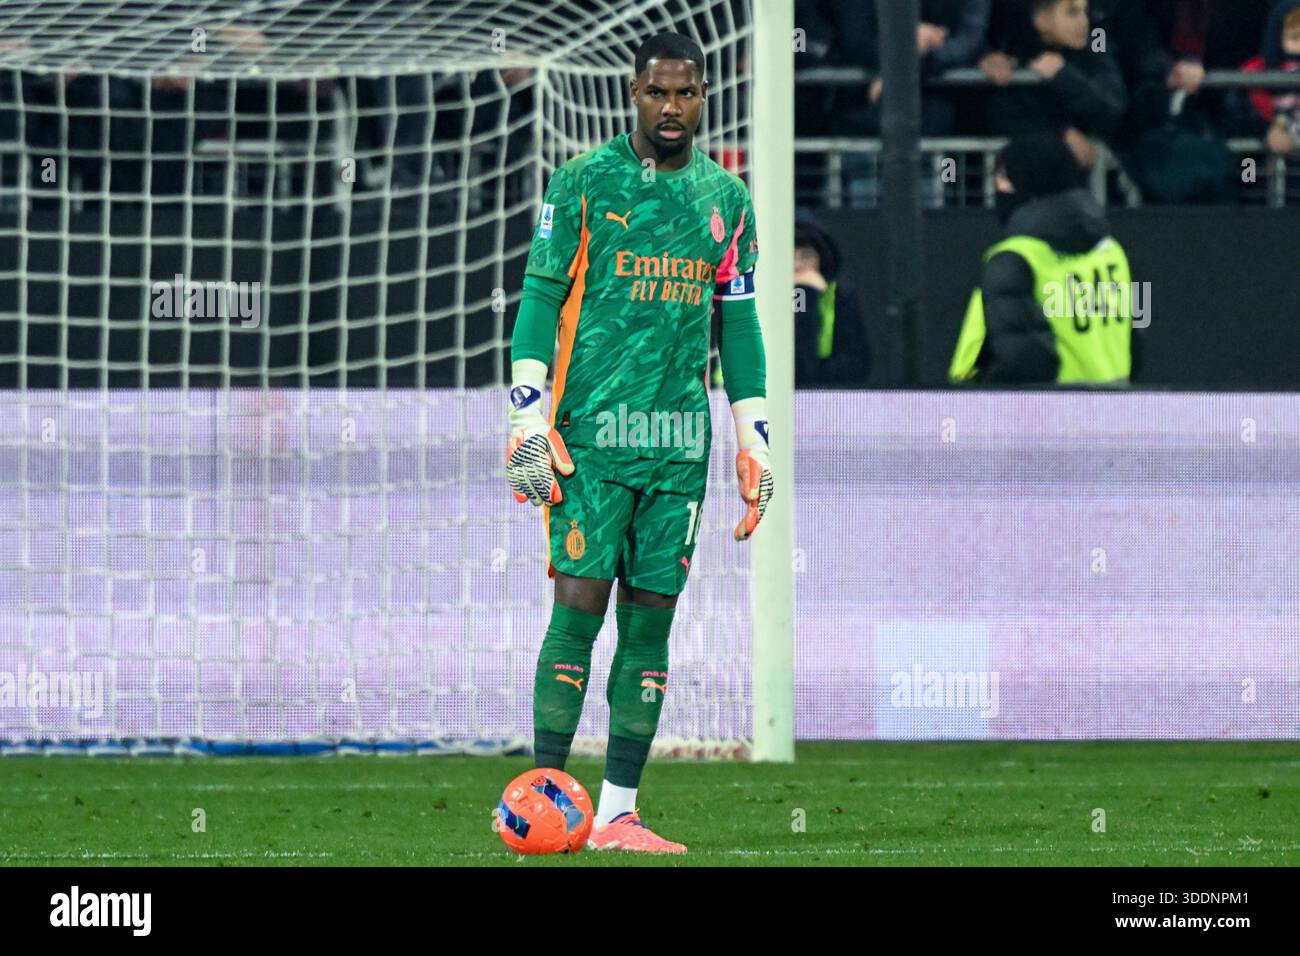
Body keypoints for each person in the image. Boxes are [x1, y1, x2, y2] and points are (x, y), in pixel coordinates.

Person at [505, 32, 771, 854]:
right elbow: (542, 297)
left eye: (686, 94)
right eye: (658, 92)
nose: (671, 107)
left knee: (652, 625)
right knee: (578, 611)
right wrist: (526, 415)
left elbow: (742, 321)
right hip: (590, 440)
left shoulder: (727, 198)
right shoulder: (583, 182)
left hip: (677, 449)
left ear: (703, 97)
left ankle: (618, 811)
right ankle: (542, 793)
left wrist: (752, 438)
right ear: (633, 92)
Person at [949, 134, 1139, 385]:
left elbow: (1024, 359)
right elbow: (1135, 342)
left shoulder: (1014, 258)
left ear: (1029, 183)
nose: (999, 188)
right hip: (1115, 409)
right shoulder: (1111, 250)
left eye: (1004, 178)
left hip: (1047, 415)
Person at [981, 0, 1127, 166]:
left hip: (1083, 178)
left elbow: (1111, 109)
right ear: (1041, 20)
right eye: (1072, 13)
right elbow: (1004, 115)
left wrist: (1064, 76)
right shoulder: (1015, 55)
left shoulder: (1096, 49)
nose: (1083, 21)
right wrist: (1060, 132)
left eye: (1085, 12)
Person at [793, 209, 871, 387]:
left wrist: (806, 293)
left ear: (821, 260)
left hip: (823, 402)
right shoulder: (754, 296)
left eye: (805, 257)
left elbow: (856, 363)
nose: (797, 265)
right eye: (789, 256)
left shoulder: (840, 298)